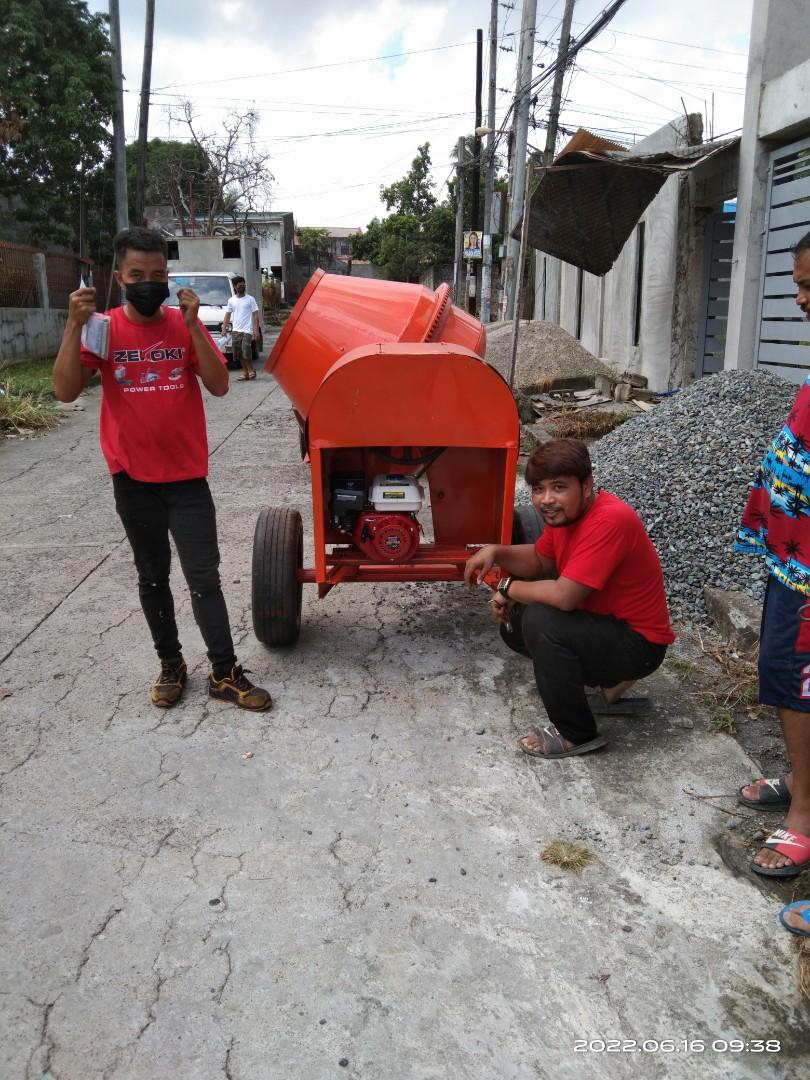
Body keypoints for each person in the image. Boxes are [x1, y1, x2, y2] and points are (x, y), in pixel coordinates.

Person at [53, 226, 272, 713]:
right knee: (152, 576)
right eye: (137, 275)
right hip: (133, 480)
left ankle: (223, 671)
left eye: (157, 274)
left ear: (167, 276)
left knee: (204, 578)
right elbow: (66, 391)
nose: (148, 283)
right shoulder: (102, 328)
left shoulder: (182, 325)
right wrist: (73, 325)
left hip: (187, 480)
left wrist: (194, 327)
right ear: (119, 277)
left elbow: (219, 386)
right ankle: (170, 664)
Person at [464, 439, 674, 759]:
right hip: (608, 628)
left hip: (640, 645)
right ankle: (609, 689)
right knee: (516, 625)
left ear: (586, 485)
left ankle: (576, 733)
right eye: (538, 489)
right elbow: (539, 559)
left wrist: (507, 587)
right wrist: (496, 551)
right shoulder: (566, 517)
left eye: (559, 487)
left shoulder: (609, 519)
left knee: (540, 620)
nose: (546, 500)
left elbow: (564, 597)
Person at [736, 230, 810, 879]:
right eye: (799, 285)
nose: (802, 300)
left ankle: (804, 819)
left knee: (797, 681)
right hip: (792, 558)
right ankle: (800, 778)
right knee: (786, 675)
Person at [222, 275, 261, 381]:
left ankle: (251, 370)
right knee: (238, 353)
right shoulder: (231, 300)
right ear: (235, 287)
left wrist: (256, 331)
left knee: (246, 350)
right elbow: (228, 315)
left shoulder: (250, 299)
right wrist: (224, 329)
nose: (242, 287)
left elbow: (255, 315)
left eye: (243, 285)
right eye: (240, 285)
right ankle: (245, 373)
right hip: (236, 330)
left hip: (247, 330)